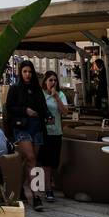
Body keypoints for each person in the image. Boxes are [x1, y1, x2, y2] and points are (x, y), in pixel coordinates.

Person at [4, 59, 49, 210]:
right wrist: (25, 110)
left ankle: (21, 189)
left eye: (30, 72)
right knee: (31, 158)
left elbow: (43, 107)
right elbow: (9, 108)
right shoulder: (15, 88)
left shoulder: (37, 90)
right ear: (20, 72)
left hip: (37, 128)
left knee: (31, 161)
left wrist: (47, 115)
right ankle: (36, 196)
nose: (27, 74)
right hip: (22, 128)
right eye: (25, 71)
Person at [40, 68, 69, 202]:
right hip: (43, 132)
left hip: (56, 132)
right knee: (45, 162)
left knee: (53, 162)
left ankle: (53, 185)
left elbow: (65, 112)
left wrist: (56, 97)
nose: (53, 82)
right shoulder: (40, 95)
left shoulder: (61, 95)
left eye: (55, 80)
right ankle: (48, 189)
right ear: (45, 82)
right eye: (50, 80)